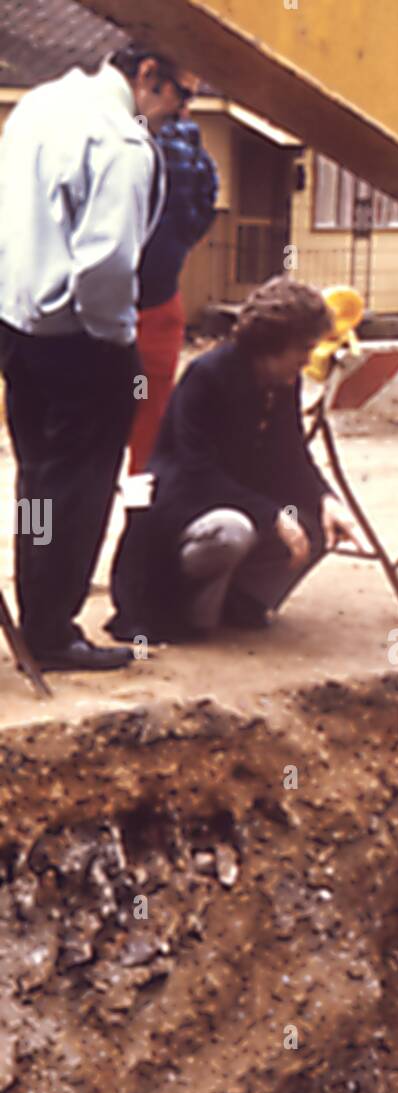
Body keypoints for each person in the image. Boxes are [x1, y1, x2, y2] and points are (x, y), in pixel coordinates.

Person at [0, 45, 192, 672]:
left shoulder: (40, 105)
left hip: (19, 329)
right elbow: (107, 262)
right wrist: (115, 341)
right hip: (81, 342)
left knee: (39, 480)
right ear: (145, 75)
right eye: (179, 96)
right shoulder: (121, 144)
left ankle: (37, 613)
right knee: (78, 491)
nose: (181, 114)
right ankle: (53, 631)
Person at [107, 276, 360, 643]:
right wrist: (273, 515)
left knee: (321, 524)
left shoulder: (283, 381)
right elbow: (196, 472)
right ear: (273, 345)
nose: (307, 360)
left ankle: (243, 601)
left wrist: (326, 498)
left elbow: (292, 455)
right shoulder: (207, 375)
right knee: (232, 531)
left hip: (241, 497)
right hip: (187, 504)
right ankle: (187, 612)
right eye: (302, 348)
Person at [128, 112, 218, 474]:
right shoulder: (186, 144)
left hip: (71, 314)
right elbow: (205, 203)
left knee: (56, 453)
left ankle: (41, 531)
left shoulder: (83, 129)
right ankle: (138, 520)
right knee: (149, 423)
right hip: (157, 297)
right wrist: (174, 248)